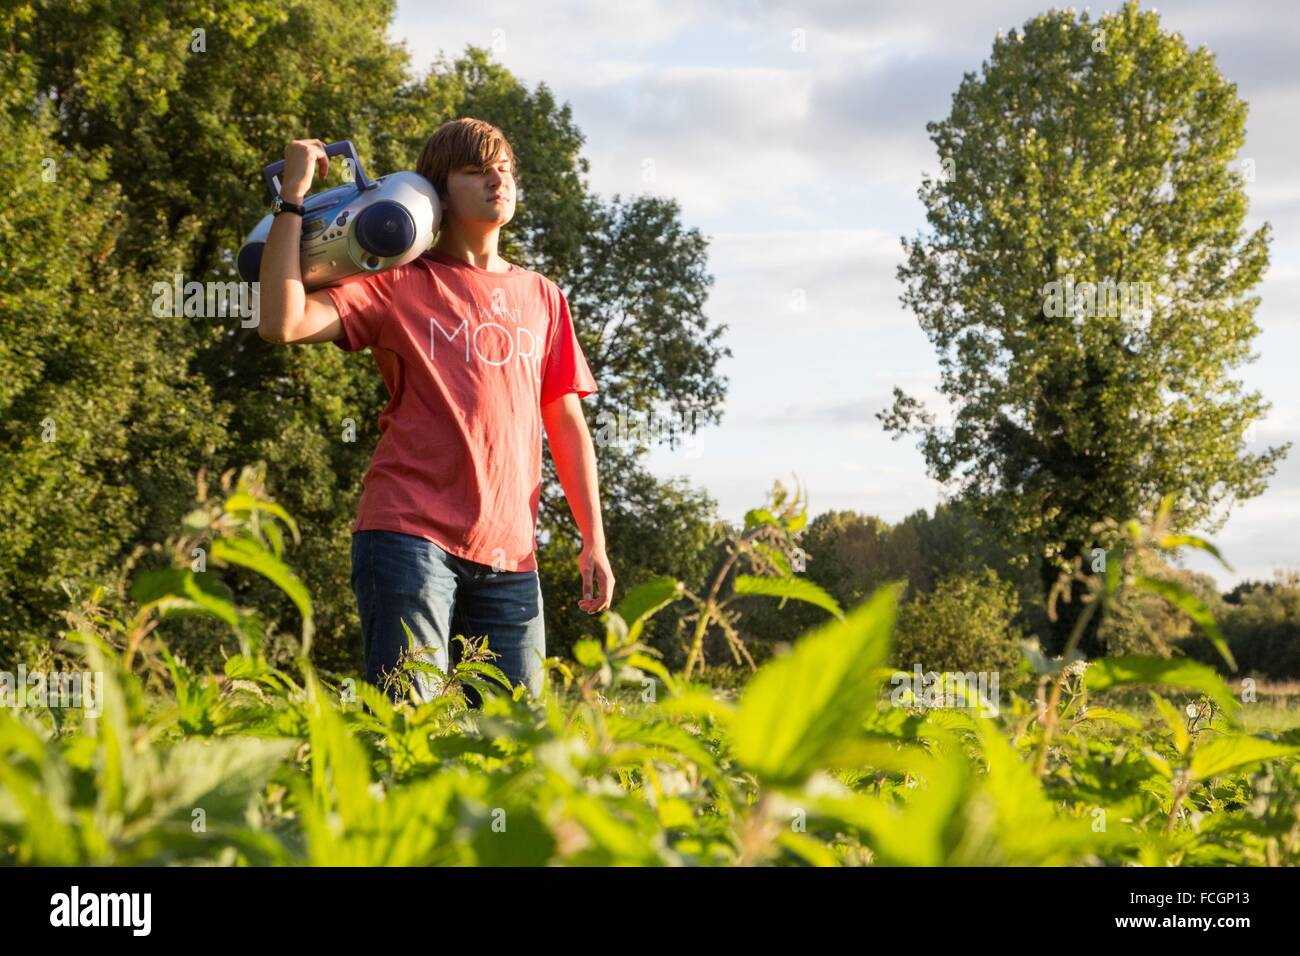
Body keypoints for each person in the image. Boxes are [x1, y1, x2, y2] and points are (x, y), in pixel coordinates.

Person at [257, 118, 614, 704]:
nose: (497, 181)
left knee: (515, 744)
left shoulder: (543, 296)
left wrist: (592, 538)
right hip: (408, 536)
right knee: (406, 730)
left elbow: (566, 422)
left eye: (504, 169)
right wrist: (291, 200)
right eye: (476, 171)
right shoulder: (398, 280)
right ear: (437, 192)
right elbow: (282, 322)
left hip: (512, 554)